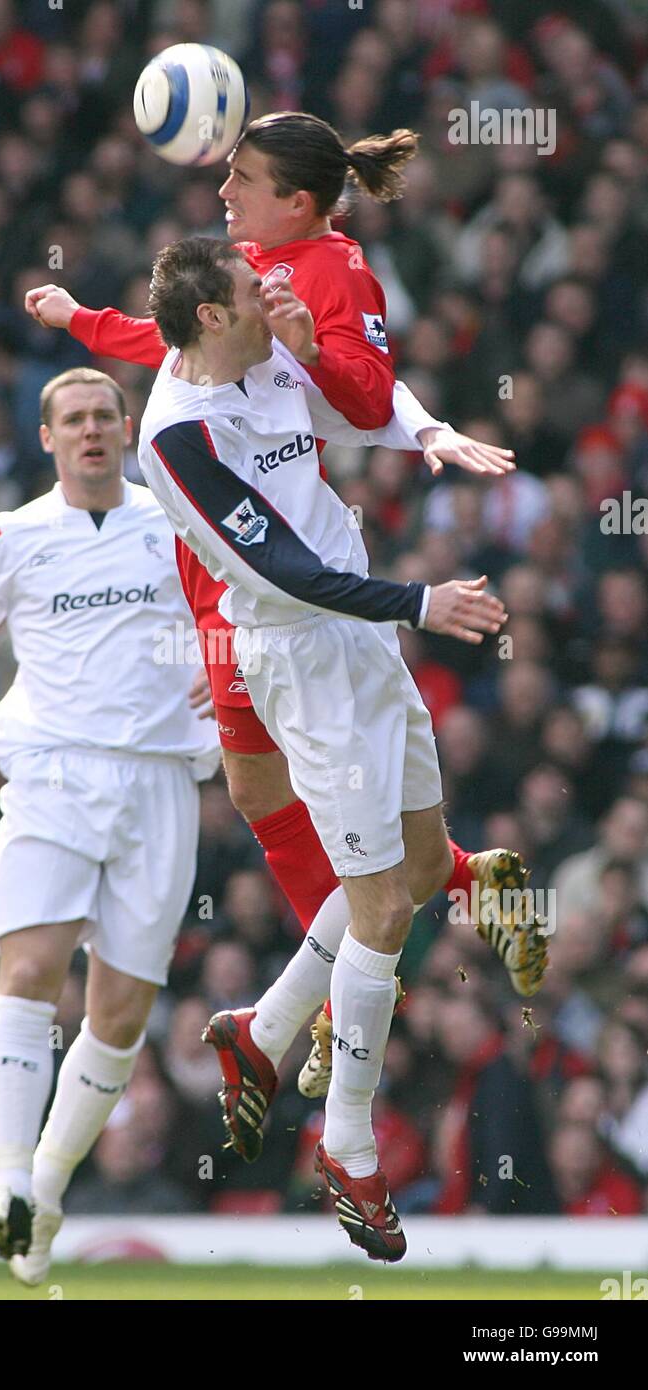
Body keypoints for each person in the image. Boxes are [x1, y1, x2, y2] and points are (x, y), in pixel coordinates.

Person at [25, 112, 547, 1104]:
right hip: (218, 567)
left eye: (240, 179)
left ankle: (320, 1014)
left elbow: (362, 395)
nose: (222, 195)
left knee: (279, 800)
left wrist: (411, 423)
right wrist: (83, 321)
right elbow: (178, 345)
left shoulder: (331, 271)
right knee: (267, 799)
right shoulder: (249, 264)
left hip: (265, 582)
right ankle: (459, 886)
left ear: (294, 198)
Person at [136, 235, 509, 1261]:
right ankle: (344, 1144)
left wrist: (424, 427)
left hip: (357, 638)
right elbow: (289, 571)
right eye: (252, 289)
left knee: (426, 863)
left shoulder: (260, 351)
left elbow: (359, 404)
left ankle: (258, 1032)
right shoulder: (175, 435)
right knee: (384, 901)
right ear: (209, 318)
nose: (274, 288)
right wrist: (418, 603)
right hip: (298, 652)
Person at [0, 367, 220, 1283]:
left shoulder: (178, 519)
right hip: (52, 775)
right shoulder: (13, 535)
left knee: (119, 1014)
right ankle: (3, 1181)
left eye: (102, 418)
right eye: (71, 420)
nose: (89, 432)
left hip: (161, 778)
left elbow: (238, 604)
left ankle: (46, 1184)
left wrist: (225, 658)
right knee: (30, 971)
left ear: (126, 428)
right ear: (46, 439)